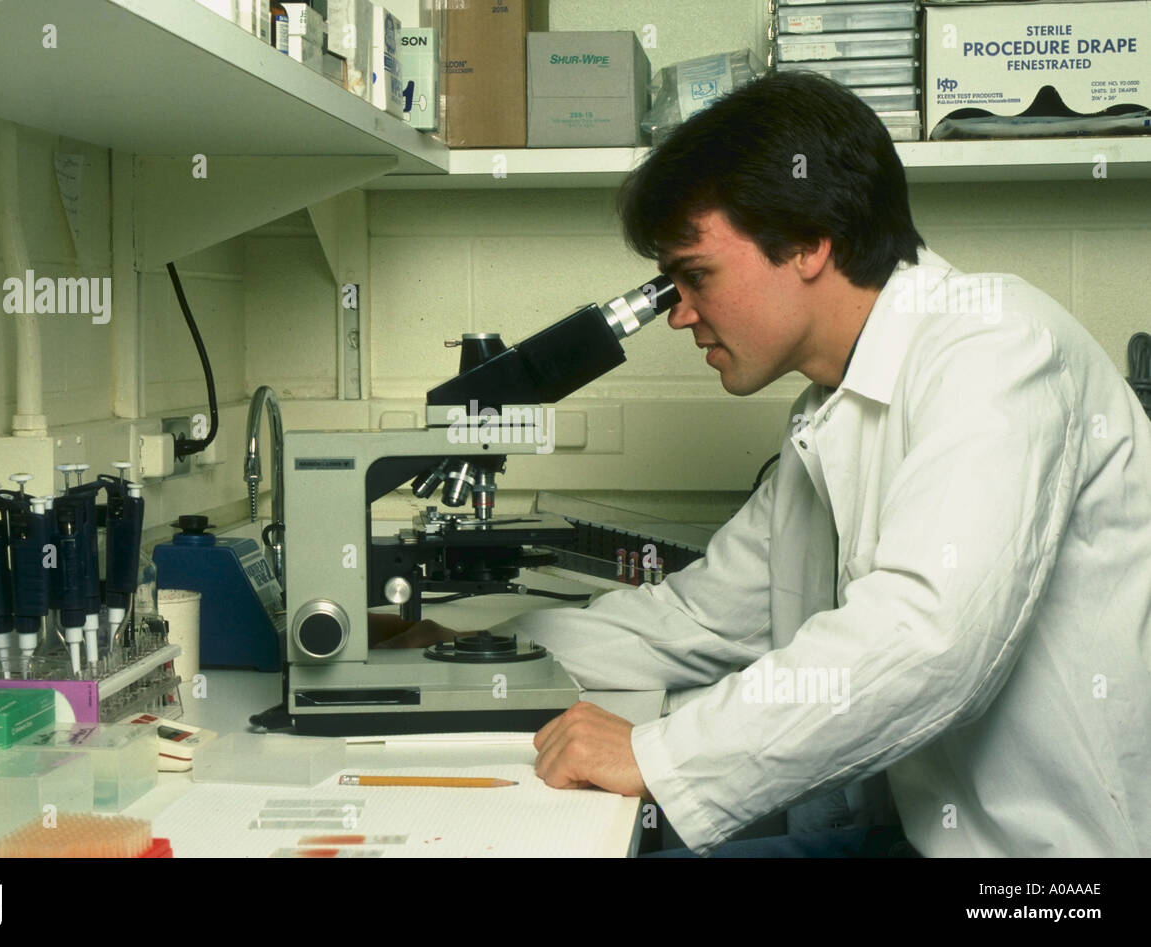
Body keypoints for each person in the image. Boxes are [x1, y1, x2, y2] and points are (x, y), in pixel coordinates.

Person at [377, 71, 1151, 857]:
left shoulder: (996, 346)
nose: (678, 311)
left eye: (696, 274)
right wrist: (475, 649)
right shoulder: (828, 410)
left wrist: (659, 753)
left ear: (810, 241)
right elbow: (701, 618)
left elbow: (930, 638)